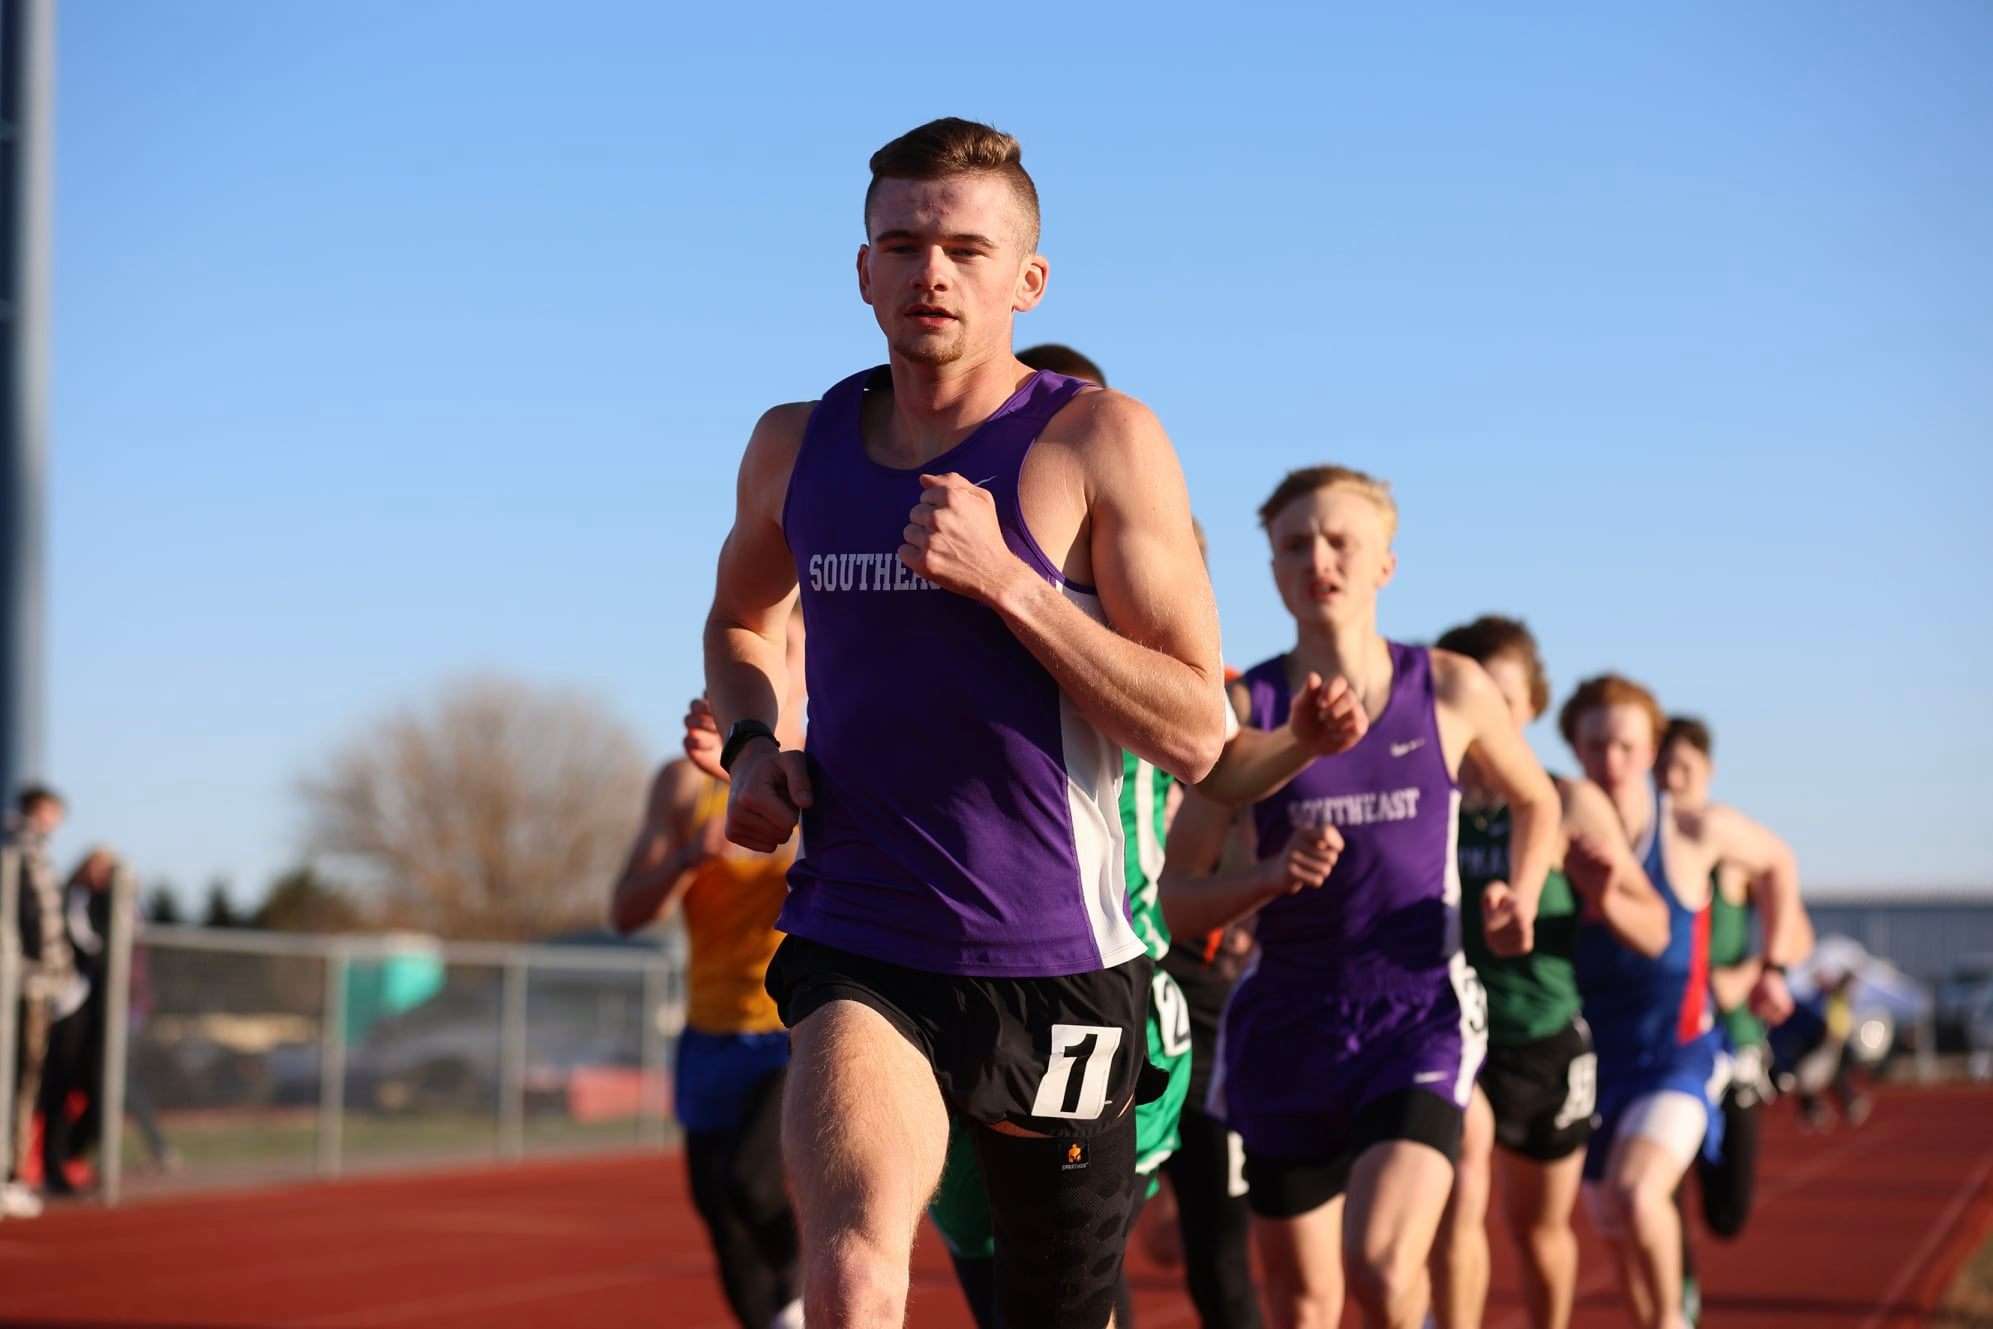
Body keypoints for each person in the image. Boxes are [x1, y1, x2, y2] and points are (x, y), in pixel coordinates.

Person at [703, 118, 1230, 1329]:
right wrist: (749, 748)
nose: (930, 271)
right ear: (864, 270)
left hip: (1057, 959)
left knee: (1047, 1309)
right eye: (902, 243)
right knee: (848, 1272)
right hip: (862, 933)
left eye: (964, 248)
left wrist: (1009, 584)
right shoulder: (795, 445)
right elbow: (738, 626)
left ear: (1024, 280)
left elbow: (1197, 727)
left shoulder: (1101, 441)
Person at [1160, 466, 1562, 1329]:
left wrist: (1520, 893)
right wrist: (1267, 877)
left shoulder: (1448, 687)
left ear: (1384, 563)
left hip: (1415, 1011)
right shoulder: (1245, 709)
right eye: (1294, 544)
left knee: (1379, 1262)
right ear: (1271, 567)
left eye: (1341, 540)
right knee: (1304, 1304)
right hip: (1284, 1022)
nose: (1319, 559)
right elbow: (1176, 900)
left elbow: (1536, 798)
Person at [1426, 617, 1669, 1329]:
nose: (1487, 714)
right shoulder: (1426, 796)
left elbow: (1652, 927)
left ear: (1528, 704)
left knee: (1537, 1230)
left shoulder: (1567, 800)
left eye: (1503, 697)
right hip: (1449, 1032)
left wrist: (1601, 893)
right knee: (1460, 1193)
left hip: (1541, 1036)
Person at [1560, 675, 1809, 1329]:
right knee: (1613, 1223)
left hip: (1680, 1053)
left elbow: (1777, 861)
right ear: (1574, 750)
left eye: (1623, 745)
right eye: (1593, 747)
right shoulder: (1554, 828)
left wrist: (1772, 966)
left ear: (1649, 751)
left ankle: (1673, 1318)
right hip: (1592, 1066)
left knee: (1639, 1194)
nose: (1609, 762)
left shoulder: (1693, 829)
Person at [611, 612, 806, 1329]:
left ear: (808, 673)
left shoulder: (833, 772)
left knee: (750, 1180)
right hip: (709, 1030)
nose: (762, 665)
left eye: (783, 651)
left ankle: (812, 1295)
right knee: (718, 1209)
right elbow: (625, 912)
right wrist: (686, 856)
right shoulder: (682, 782)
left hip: (794, 1024)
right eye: (746, 648)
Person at [5, 784, 73, 1219]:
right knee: (18, 1077)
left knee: (24, 1078)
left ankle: (13, 1174)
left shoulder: (34, 854)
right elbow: (35, 922)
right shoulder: (20, 851)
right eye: (51, 811)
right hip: (24, 981)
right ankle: (11, 1176)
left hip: (34, 981)